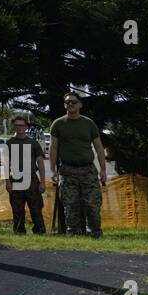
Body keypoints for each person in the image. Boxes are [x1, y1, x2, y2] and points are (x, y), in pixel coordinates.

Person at [48, 91, 106, 238]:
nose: (70, 104)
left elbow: (99, 147)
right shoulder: (58, 124)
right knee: (70, 204)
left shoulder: (89, 123)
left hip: (88, 170)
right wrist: (53, 170)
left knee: (93, 204)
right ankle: (74, 234)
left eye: (73, 102)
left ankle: (94, 233)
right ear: (64, 105)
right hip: (67, 171)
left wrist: (103, 170)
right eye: (67, 102)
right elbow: (53, 147)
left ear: (80, 104)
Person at [6, 115, 46, 234]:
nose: (19, 128)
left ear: (26, 127)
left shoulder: (33, 143)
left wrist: (42, 182)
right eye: (17, 125)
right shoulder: (9, 143)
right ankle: (19, 231)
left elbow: (40, 163)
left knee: (36, 207)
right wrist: (7, 182)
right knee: (17, 208)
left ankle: (39, 231)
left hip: (31, 179)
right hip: (16, 179)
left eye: (22, 125)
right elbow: (5, 164)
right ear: (14, 126)